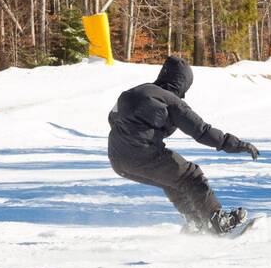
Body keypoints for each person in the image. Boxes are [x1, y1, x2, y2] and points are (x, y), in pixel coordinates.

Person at [107, 55, 259, 235]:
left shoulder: (134, 92)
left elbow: (112, 118)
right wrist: (237, 145)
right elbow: (201, 131)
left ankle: (196, 223)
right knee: (191, 175)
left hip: (117, 160)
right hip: (142, 154)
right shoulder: (170, 101)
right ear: (182, 82)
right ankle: (216, 221)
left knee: (172, 181)